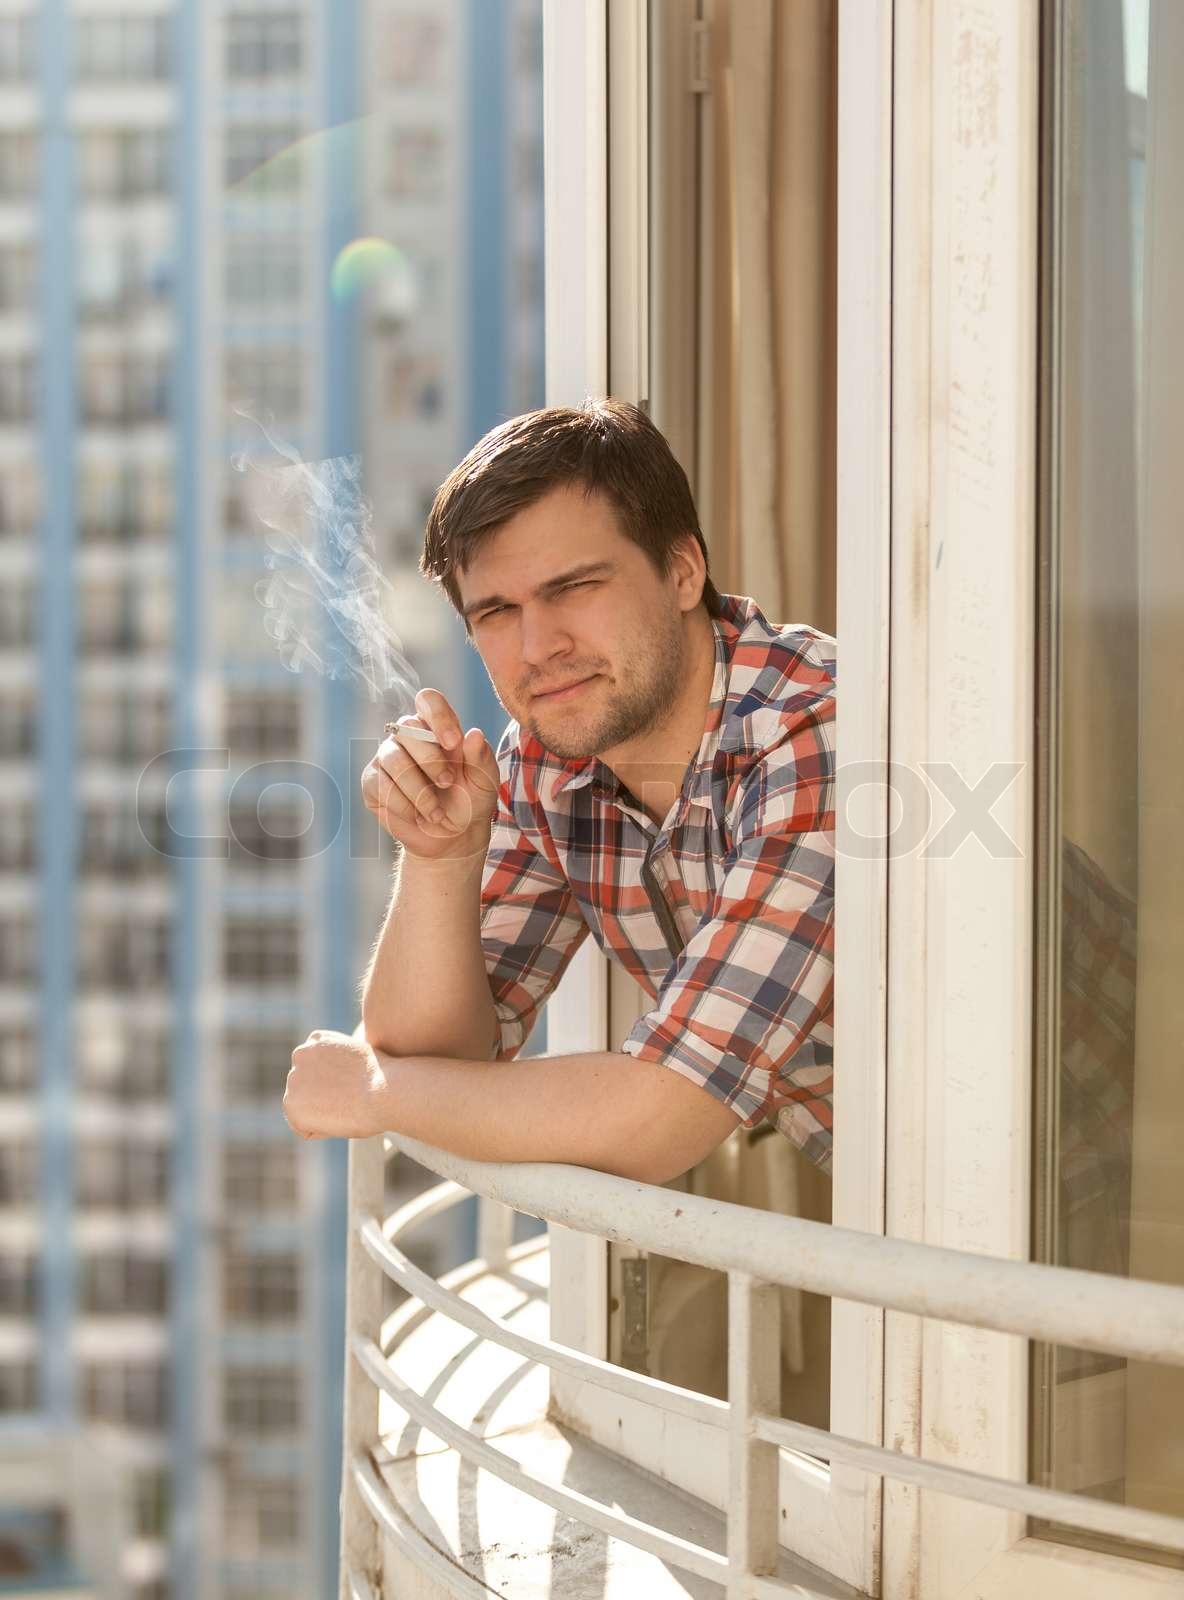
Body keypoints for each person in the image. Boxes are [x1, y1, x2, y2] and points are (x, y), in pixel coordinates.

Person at [283, 397, 836, 1185]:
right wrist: (440, 857)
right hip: (902, 1183)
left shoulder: (812, 735)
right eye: (498, 612)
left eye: (574, 587)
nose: (540, 648)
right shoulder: (552, 755)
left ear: (683, 570)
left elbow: (661, 1118)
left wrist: (373, 1089)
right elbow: (431, 1058)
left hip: (1054, 1176)